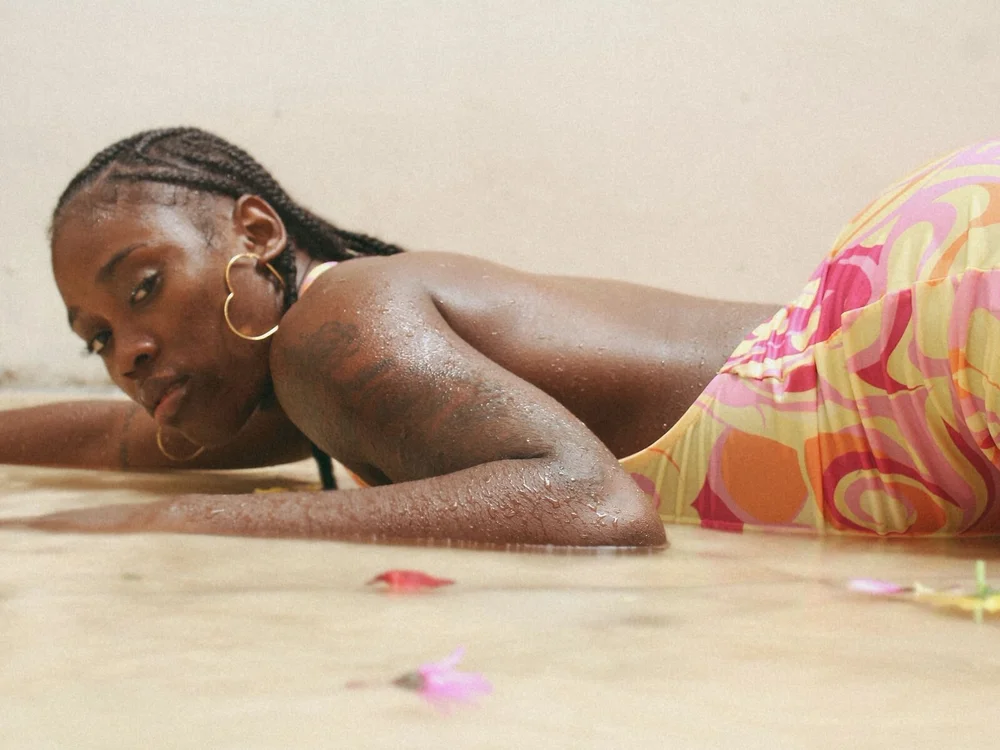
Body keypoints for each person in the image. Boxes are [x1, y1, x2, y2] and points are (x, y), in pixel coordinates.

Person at [0, 129, 997, 547]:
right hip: (915, 329)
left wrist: (176, 526)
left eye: (143, 286)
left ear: (256, 235)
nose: (127, 353)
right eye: (97, 339)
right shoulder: (318, 380)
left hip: (923, 348)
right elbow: (118, 442)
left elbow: (590, 503)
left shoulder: (330, 338)